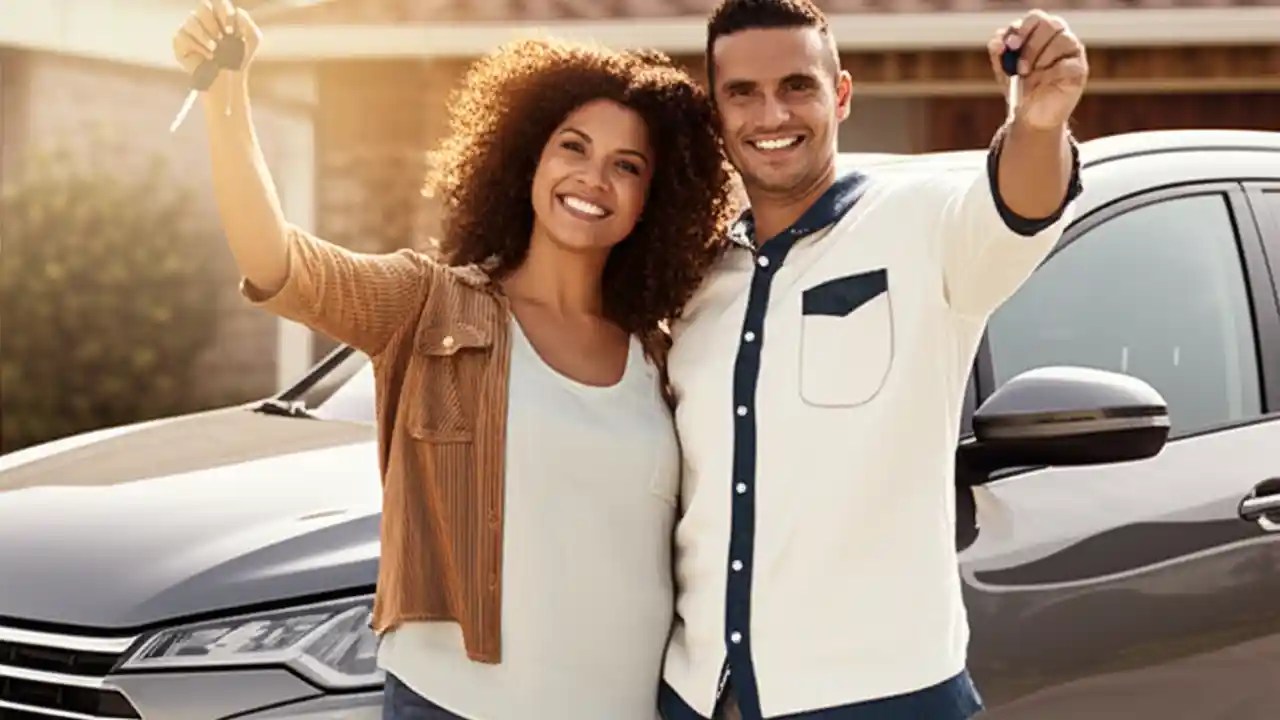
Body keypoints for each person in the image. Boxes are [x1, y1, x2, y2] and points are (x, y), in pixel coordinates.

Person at [171, 2, 736, 719]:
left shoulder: (663, 355)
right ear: (528, 155)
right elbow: (276, 258)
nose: (594, 178)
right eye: (573, 147)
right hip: (455, 705)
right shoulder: (429, 305)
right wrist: (228, 95)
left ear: (652, 200)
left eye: (626, 166)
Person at [659, 2, 1087, 719]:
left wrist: (1038, 125)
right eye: (743, 93)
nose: (771, 113)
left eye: (797, 86)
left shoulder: (924, 223)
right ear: (717, 112)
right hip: (700, 697)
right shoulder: (693, 282)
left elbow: (1019, 209)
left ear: (842, 94)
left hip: (885, 699)